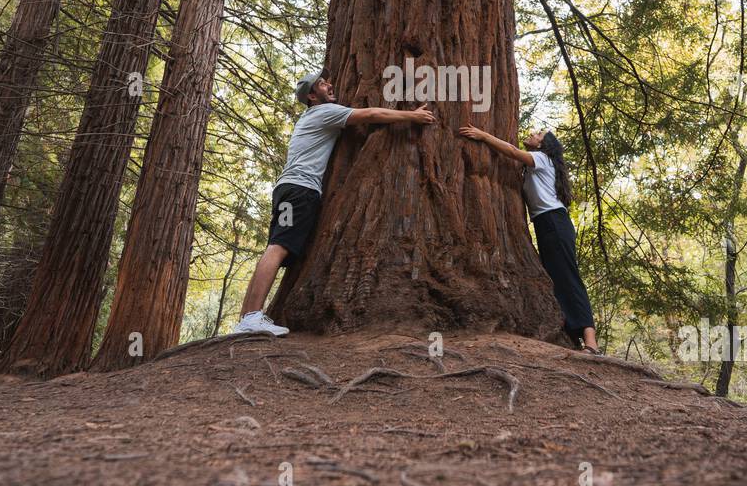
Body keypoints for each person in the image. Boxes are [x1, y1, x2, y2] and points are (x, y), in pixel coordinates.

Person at [234, 70, 435, 335]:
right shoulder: (323, 113)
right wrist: (413, 116)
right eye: (321, 84)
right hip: (299, 190)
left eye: (327, 81)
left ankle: (247, 317)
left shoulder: (310, 116)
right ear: (312, 97)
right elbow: (372, 115)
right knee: (278, 248)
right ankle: (251, 318)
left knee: (275, 247)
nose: (329, 84)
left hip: (289, 188)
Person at [458, 125, 599, 352]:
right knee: (554, 279)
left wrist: (483, 135)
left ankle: (591, 341)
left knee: (569, 278)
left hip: (554, 223)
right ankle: (572, 333)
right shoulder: (534, 165)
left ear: (543, 145)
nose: (533, 134)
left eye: (538, 135)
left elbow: (513, 151)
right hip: (547, 225)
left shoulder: (542, 158)